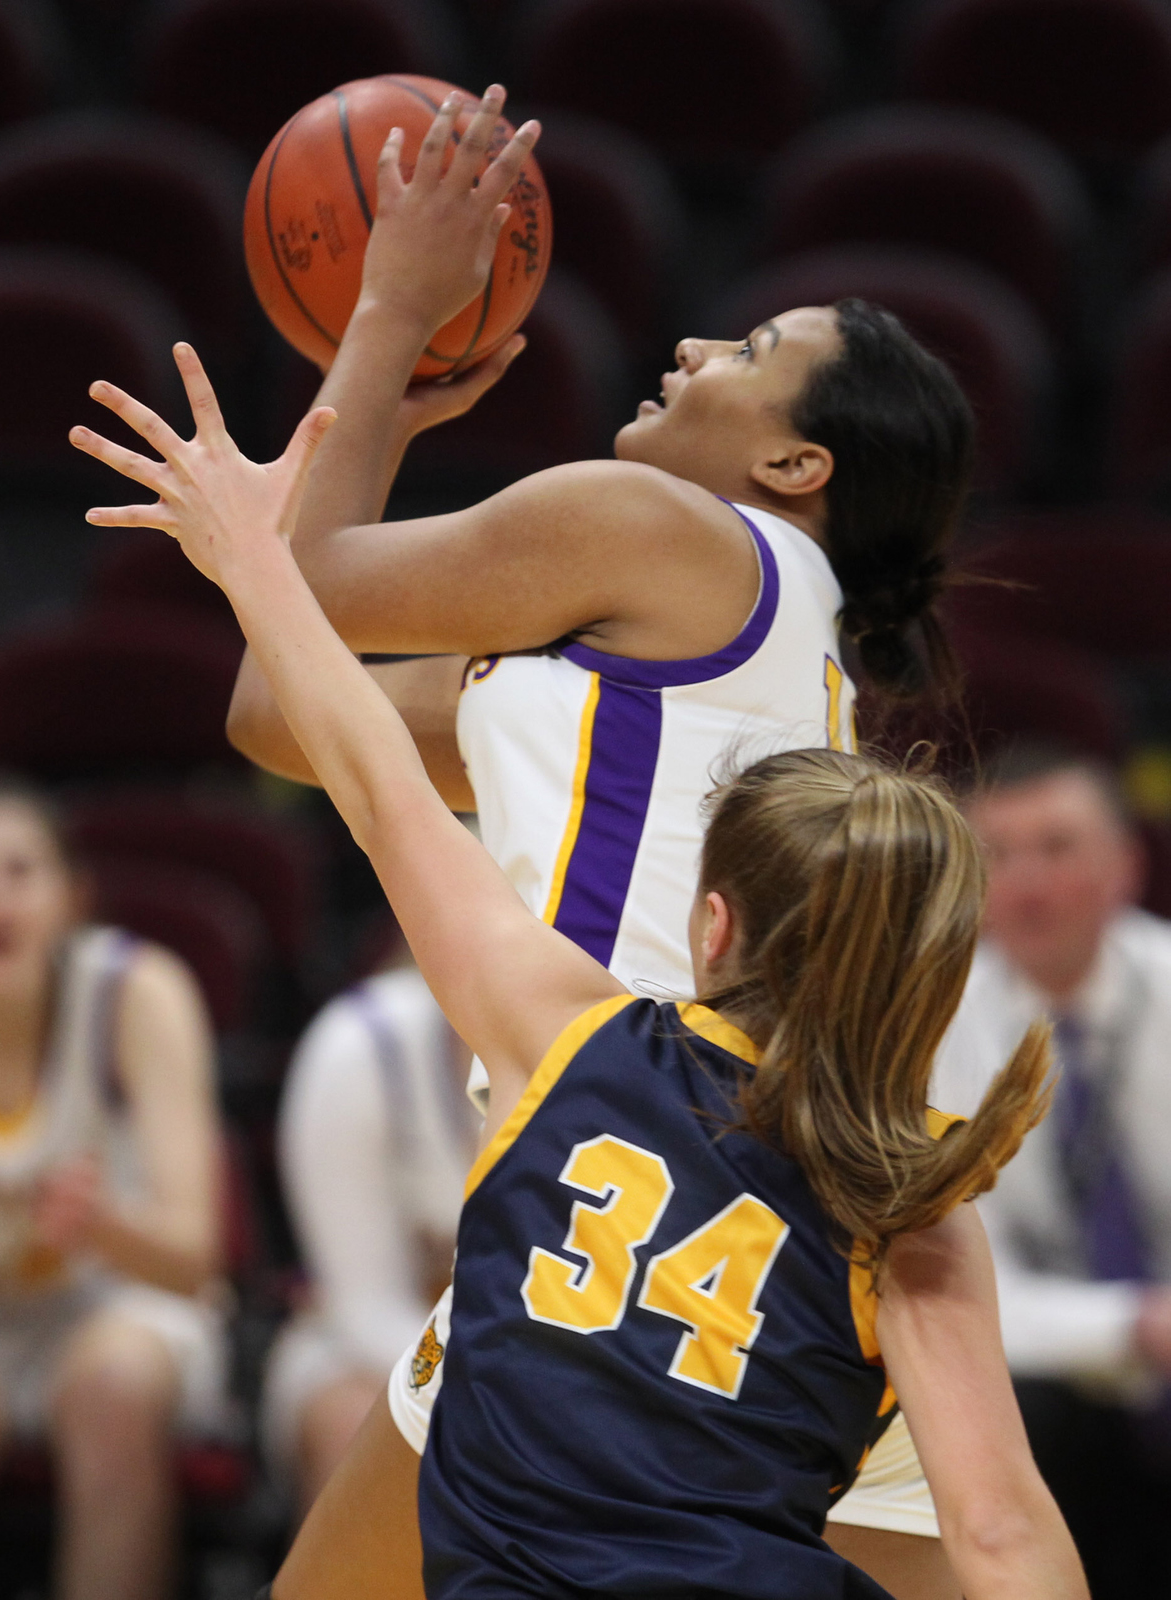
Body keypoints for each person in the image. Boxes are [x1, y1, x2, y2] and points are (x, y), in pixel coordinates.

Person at [68, 347, 1089, 1600]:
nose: (699, 352)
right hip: (805, 1361)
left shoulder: (579, 1041)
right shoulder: (918, 1199)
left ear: (711, 926)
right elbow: (1006, 1536)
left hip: (567, 1251)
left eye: (759, 347)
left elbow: (370, 783)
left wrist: (262, 529)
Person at [217, 85, 974, 1598]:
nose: (695, 347)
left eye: (751, 357)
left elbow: (274, 583)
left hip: (641, 1202)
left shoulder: (660, 530)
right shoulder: (679, 665)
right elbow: (278, 705)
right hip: (725, 1219)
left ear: (794, 468)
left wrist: (384, 321)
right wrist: (372, 399)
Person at [0, 777, 225, 1600]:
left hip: (121, 1304)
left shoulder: (137, 992)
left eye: (18, 870)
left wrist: (104, 1225)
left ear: (74, 898)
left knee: (109, 1394)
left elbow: (195, 1261)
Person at [932, 743, 1171, 1599]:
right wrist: (1132, 1328)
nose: (1027, 884)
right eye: (998, 855)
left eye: (1059, 848)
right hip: (1061, 1386)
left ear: (1125, 866)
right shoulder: (934, 1031)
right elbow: (963, 1288)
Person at [263, 932, 475, 1511]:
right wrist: (498, 1396)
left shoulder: (611, 1048)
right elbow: (364, 1306)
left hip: (534, 1372)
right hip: (359, 1347)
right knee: (359, 1424)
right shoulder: (362, 1044)